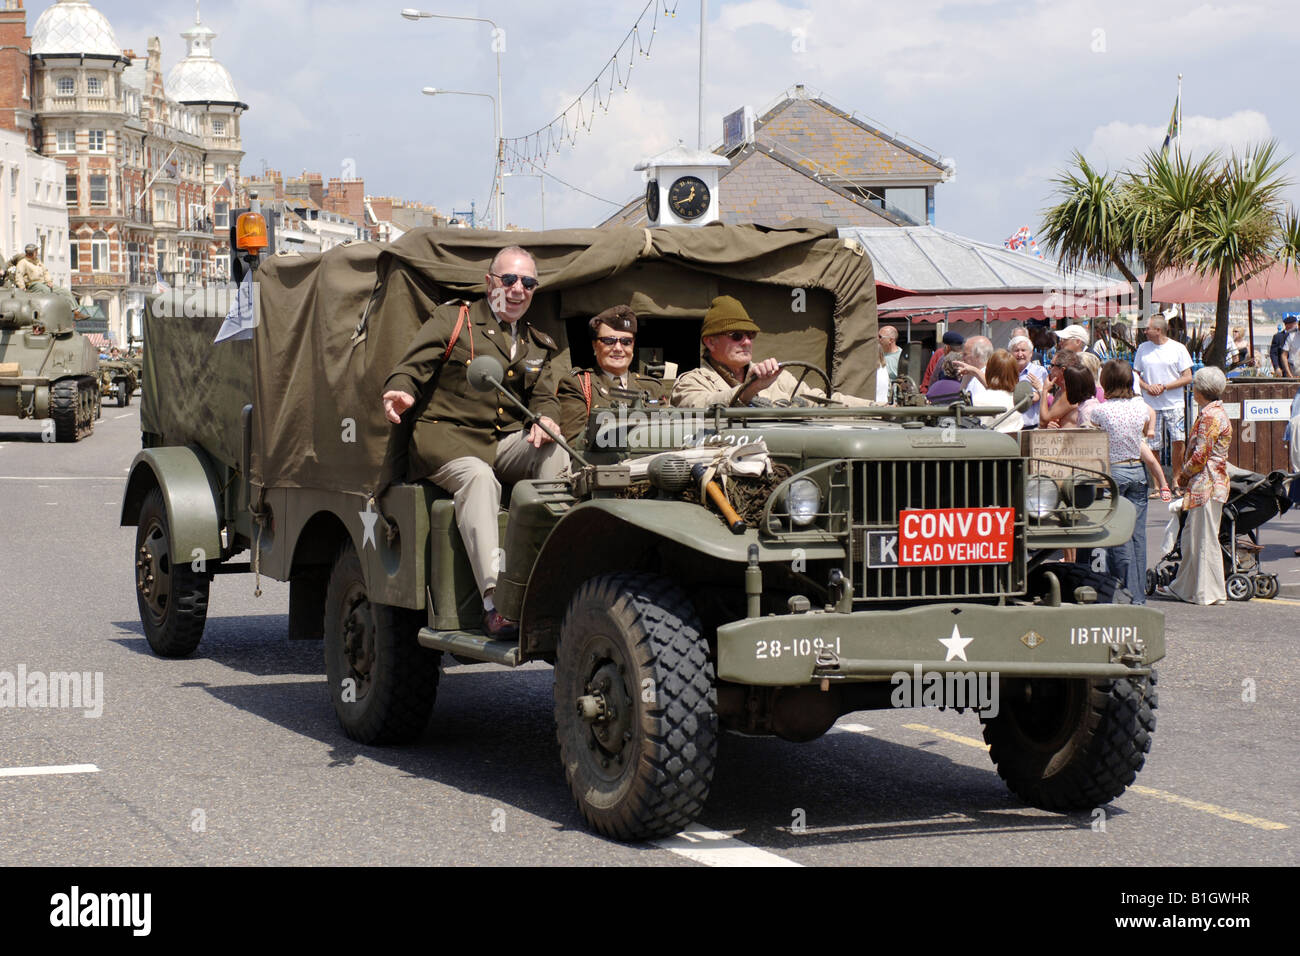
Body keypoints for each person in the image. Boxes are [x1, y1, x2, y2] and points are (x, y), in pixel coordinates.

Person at [382, 245, 565, 638]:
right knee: (480, 478)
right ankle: (495, 601)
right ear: (490, 283)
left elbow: (544, 394)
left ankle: (551, 572)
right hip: (447, 438)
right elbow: (412, 365)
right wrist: (401, 389)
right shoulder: (455, 320)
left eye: (528, 282)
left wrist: (547, 417)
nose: (518, 289)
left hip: (501, 441)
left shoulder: (536, 343)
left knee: (554, 448)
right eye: (510, 280)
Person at [670, 295, 874, 407]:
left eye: (751, 335)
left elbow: (822, 401)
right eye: (736, 335)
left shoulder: (777, 378)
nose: (747, 342)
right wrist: (750, 389)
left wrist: (877, 408)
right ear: (711, 342)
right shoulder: (692, 382)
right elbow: (704, 405)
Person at [1089, 360, 1170, 604]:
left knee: (1117, 534)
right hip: (1137, 469)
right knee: (1138, 535)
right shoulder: (1140, 409)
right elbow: (1146, 427)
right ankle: (1139, 595)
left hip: (1114, 471)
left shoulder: (1101, 411)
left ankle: (1122, 588)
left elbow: (1094, 428)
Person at [1162, 367, 1233, 605]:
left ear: (1200, 390)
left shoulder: (1210, 416)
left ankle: (1207, 591)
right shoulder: (1215, 413)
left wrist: (1182, 476)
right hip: (1210, 483)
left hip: (1207, 483)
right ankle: (1186, 587)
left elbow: (1201, 455)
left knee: (1202, 539)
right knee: (1195, 538)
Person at [556, 304, 669, 445]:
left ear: (633, 345)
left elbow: (669, 436)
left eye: (626, 342)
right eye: (609, 341)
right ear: (595, 345)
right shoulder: (578, 385)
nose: (618, 348)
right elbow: (574, 445)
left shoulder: (652, 387)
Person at [1133, 312, 1193, 478]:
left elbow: (1188, 377)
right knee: (1153, 444)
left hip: (1174, 403)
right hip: (1151, 405)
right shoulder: (1143, 349)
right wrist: (1147, 386)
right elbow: (1135, 374)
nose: (1145, 331)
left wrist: (1164, 387)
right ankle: (1159, 483)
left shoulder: (1178, 348)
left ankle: (1176, 478)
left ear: (1158, 330)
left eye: (1148, 328)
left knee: (1178, 440)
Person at [975, 349, 1023, 433]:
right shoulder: (1018, 401)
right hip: (1013, 444)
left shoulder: (976, 399)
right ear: (1015, 373)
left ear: (988, 371)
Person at [1010, 334, 1046, 428]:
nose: (1020, 354)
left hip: (1030, 426)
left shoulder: (1039, 371)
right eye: (1016, 350)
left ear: (1031, 353)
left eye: (1023, 350)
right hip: (1010, 425)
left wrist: (1010, 395)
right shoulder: (1006, 372)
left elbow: (1034, 398)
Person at [954, 335, 994, 402]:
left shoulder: (988, 376)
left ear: (978, 355)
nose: (962, 358)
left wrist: (974, 371)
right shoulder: (973, 376)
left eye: (965, 354)